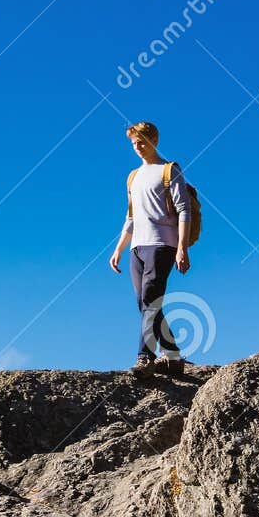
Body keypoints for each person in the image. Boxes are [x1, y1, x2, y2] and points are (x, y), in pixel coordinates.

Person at [108, 121, 191, 376]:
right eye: (134, 143)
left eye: (142, 141)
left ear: (154, 140)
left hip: (162, 244)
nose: (138, 147)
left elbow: (184, 210)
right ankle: (174, 357)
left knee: (149, 299)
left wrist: (182, 248)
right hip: (137, 247)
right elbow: (131, 217)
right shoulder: (133, 176)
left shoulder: (169, 170)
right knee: (145, 303)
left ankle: (145, 358)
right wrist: (118, 249)